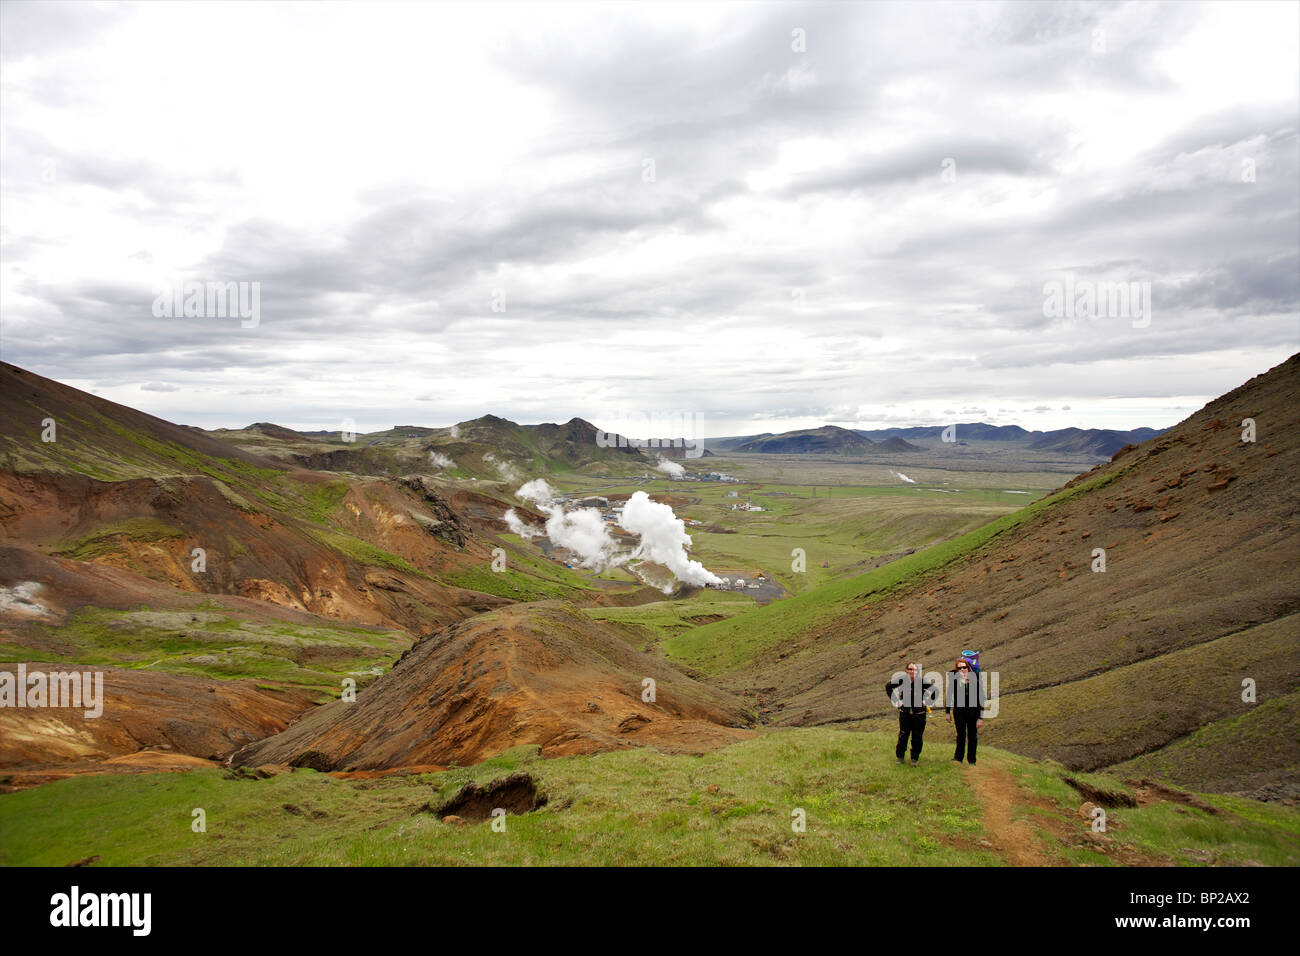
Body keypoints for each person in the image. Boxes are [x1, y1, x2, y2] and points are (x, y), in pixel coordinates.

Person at [885, 662, 929, 765]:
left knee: (917, 736)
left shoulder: (921, 682)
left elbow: (935, 691)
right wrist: (897, 702)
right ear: (906, 670)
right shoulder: (902, 681)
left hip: (919, 714)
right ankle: (900, 757)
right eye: (910, 669)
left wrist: (926, 702)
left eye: (914, 670)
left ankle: (915, 758)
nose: (912, 671)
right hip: (905, 714)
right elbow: (888, 687)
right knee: (903, 735)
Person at [944, 658, 985, 764]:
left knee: (972, 736)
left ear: (968, 668)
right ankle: (958, 758)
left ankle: (972, 760)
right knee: (960, 735)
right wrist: (947, 712)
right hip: (959, 712)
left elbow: (981, 699)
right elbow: (949, 696)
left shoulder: (975, 680)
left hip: (973, 712)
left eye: (964, 667)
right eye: (959, 668)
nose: (962, 669)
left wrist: (980, 718)